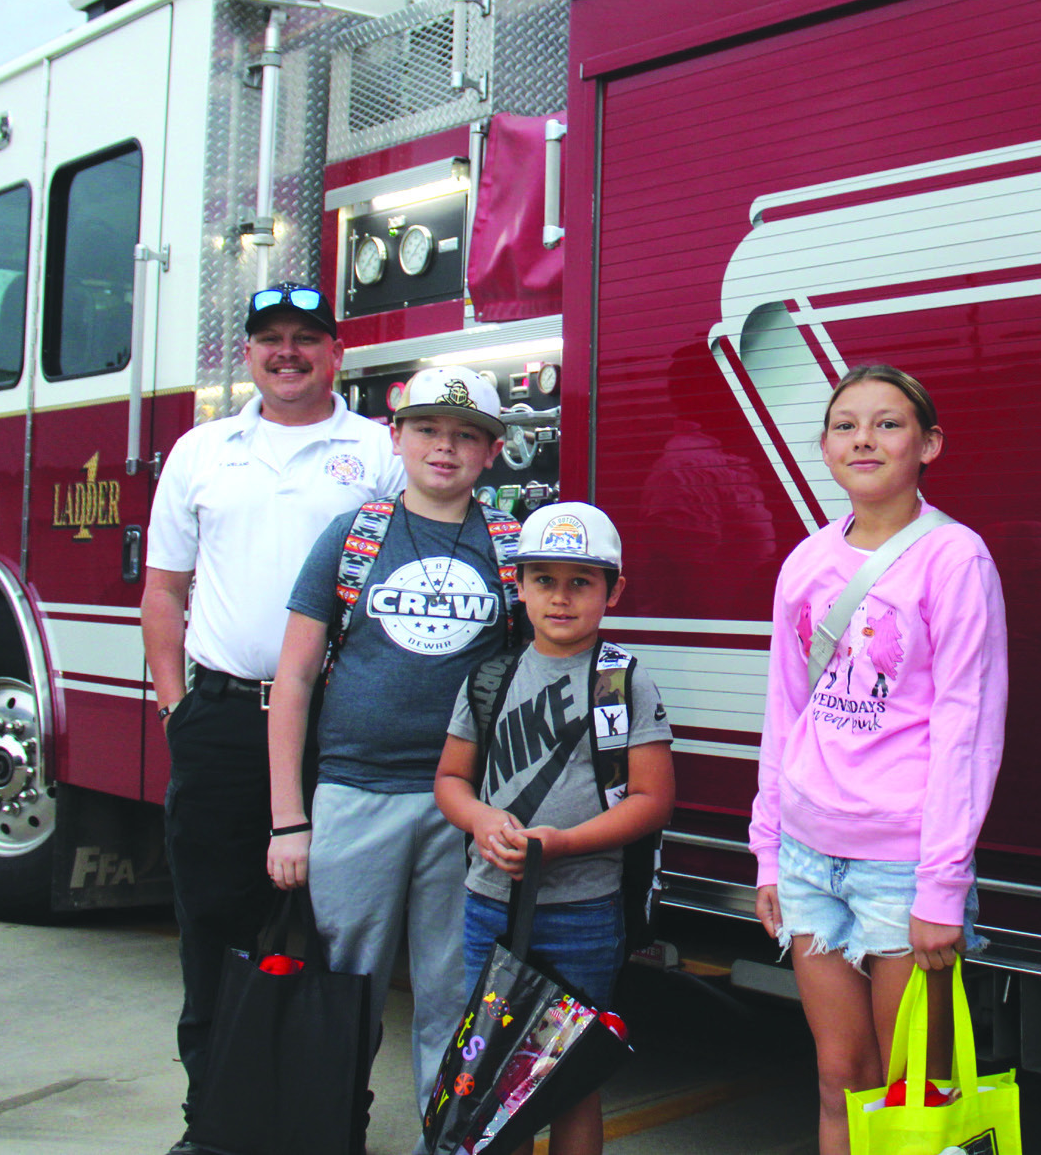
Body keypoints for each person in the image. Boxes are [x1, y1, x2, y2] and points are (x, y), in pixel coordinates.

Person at [142, 282, 403, 1155]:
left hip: (343, 726)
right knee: (212, 928)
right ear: (248, 353)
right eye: (269, 339)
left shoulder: (379, 451)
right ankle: (210, 1122)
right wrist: (178, 706)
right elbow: (164, 591)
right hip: (220, 720)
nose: (286, 352)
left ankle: (330, 1122)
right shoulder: (203, 451)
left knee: (339, 936)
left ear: (338, 352)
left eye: (306, 338)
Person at [750, 365, 1009, 1155]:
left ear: (929, 444)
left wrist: (942, 885)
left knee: (910, 1101)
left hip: (903, 868)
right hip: (806, 858)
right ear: (825, 447)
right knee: (841, 1080)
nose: (864, 438)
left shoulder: (955, 559)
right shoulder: (805, 562)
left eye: (888, 423)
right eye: (845, 424)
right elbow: (785, 711)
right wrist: (767, 852)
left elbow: (969, 726)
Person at [264, 363, 522, 1151]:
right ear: (397, 437)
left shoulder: (510, 548)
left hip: (461, 806)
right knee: (347, 990)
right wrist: (288, 821)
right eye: (428, 431)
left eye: (465, 436)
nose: (445, 448)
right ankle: (327, 1133)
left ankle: (446, 1142)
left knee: (454, 992)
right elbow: (296, 677)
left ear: (491, 452)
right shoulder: (352, 537)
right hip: (354, 794)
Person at [435, 500, 675, 1155]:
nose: (561, 598)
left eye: (581, 582)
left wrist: (564, 844)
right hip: (491, 907)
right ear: (518, 585)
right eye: (544, 580)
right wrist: (482, 820)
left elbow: (652, 799)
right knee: (491, 1076)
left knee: (572, 1075)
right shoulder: (490, 678)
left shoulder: (620, 683)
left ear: (612, 590)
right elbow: (450, 781)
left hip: (583, 912)